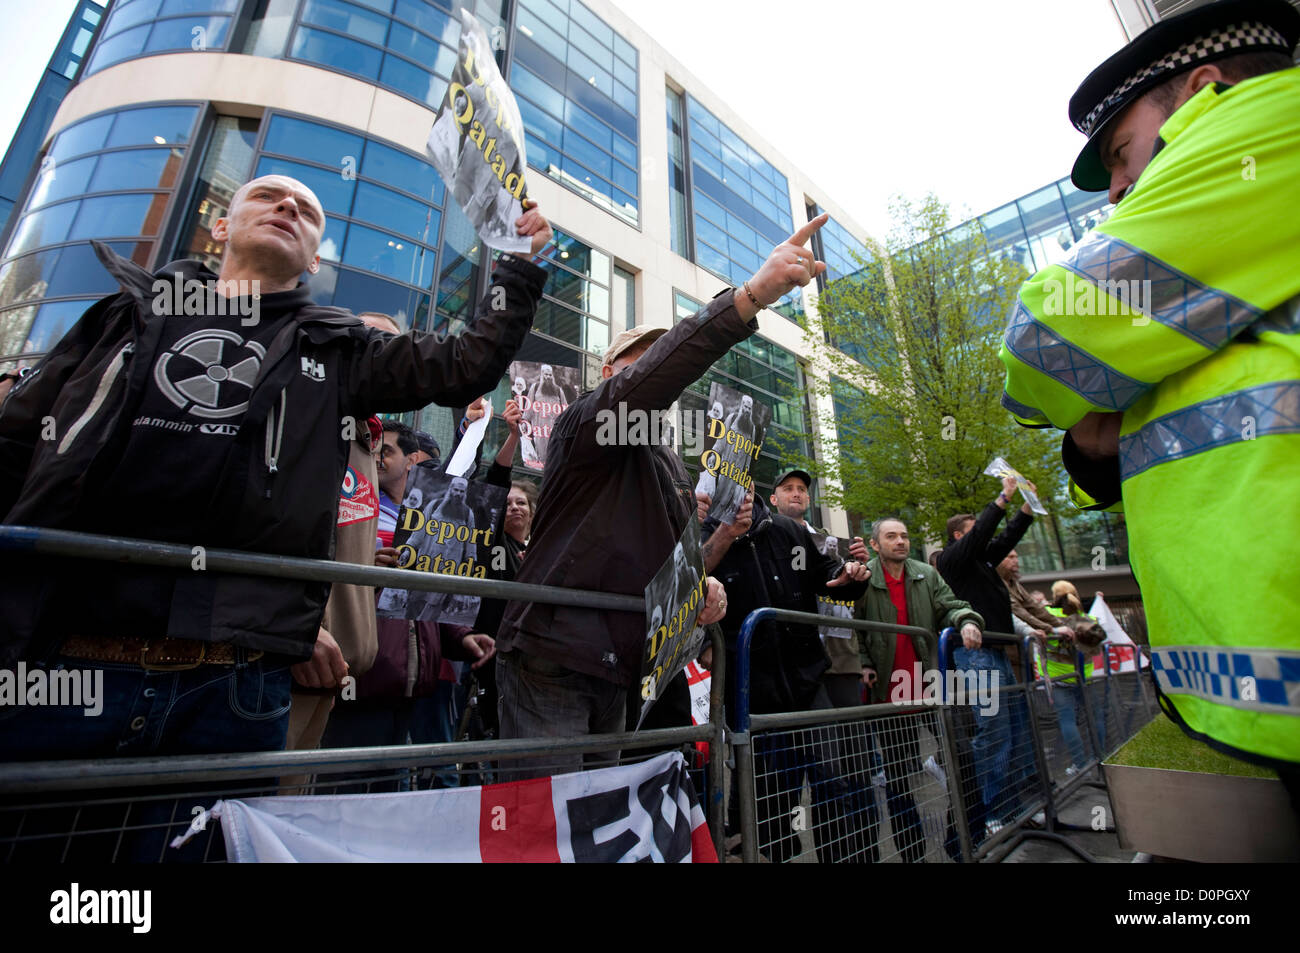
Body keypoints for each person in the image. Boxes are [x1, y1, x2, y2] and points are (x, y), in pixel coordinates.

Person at [0, 174, 552, 760]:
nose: (287, 205)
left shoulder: (339, 351)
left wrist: (516, 267)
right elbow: (15, 447)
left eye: (306, 210)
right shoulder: (125, 319)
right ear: (221, 226)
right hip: (67, 665)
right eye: (266, 197)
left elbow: (464, 364)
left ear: (314, 259)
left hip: (236, 682)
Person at [998, 0, 1300, 802]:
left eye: (1124, 154)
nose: (1119, 190)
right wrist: (1100, 431)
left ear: (1205, 93)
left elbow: (1040, 341)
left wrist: (1104, 389)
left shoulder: (1271, 129)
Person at [494, 214, 834, 776]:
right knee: (541, 824)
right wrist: (754, 295)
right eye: (638, 363)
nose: (653, 376)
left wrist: (705, 587)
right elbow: (660, 374)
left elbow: (675, 564)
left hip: (620, 665)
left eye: (657, 360)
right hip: (554, 655)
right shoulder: (587, 424)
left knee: (589, 824)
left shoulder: (669, 466)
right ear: (608, 373)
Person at [702, 483, 869, 864]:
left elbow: (827, 578)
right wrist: (726, 534)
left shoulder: (786, 529)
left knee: (831, 779)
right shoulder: (706, 533)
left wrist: (851, 577)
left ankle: (838, 855)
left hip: (808, 681)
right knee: (771, 793)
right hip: (752, 693)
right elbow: (686, 585)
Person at [854, 518, 984, 861]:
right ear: (875, 544)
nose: (901, 541)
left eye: (905, 535)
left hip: (931, 686)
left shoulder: (926, 574)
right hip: (890, 694)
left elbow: (951, 605)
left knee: (964, 761)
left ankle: (964, 844)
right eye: (891, 536)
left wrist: (968, 620)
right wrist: (863, 663)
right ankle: (913, 851)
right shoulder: (864, 579)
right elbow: (853, 629)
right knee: (898, 780)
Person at [937, 474, 1041, 832]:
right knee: (994, 732)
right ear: (958, 536)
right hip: (975, 656)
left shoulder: (982, 561)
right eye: (975, 529)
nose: (984, 534)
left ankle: (1012, 807)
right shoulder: (952, 561)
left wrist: (1027, 507)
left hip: (997, 651)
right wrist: (1002, 498)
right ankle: (989, 813)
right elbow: (984, 533)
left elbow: (1005, 537)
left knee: (1014, 729)